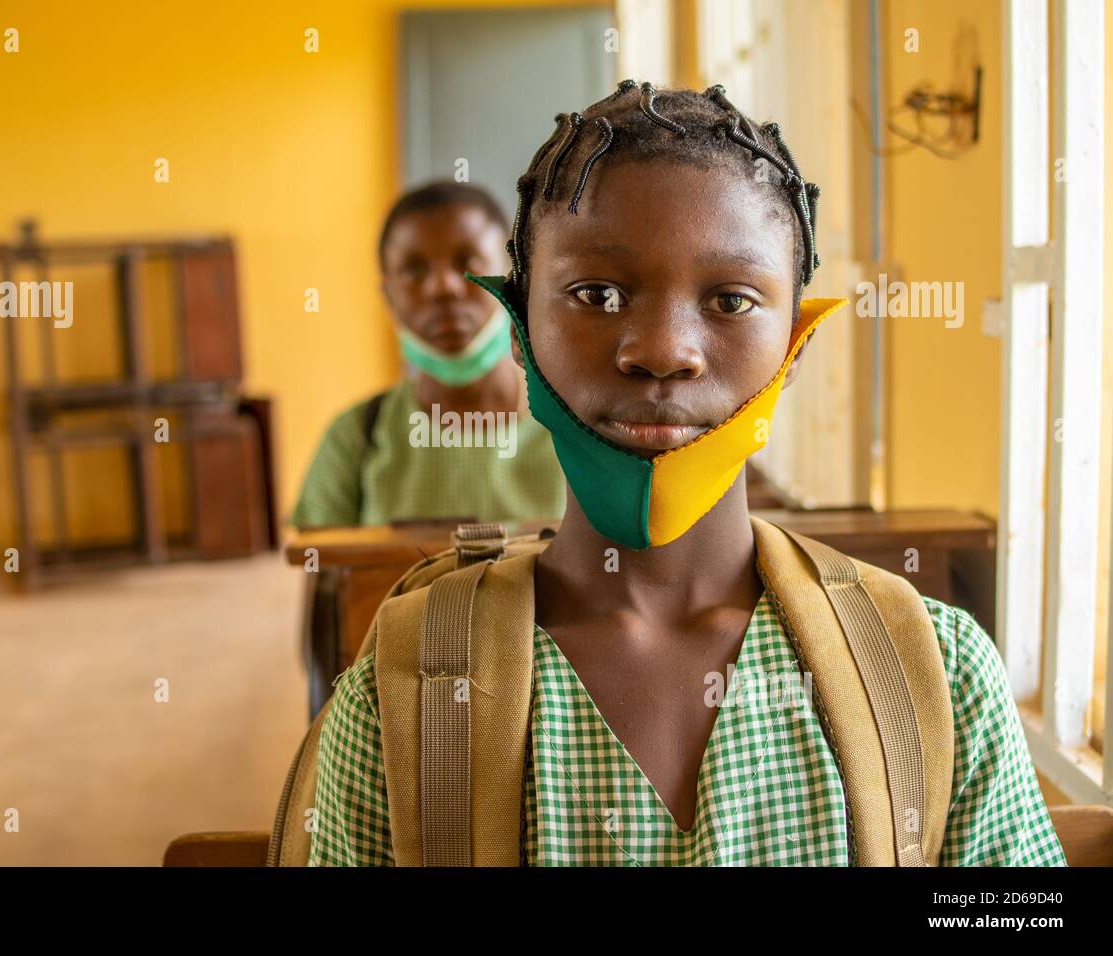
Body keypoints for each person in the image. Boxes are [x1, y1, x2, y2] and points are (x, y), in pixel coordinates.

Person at [306, 82, 1065, 866]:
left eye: (732, 299)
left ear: (794, 344)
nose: (663, 350)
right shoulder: (406, 694)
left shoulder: (934, 672)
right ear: (521, 326)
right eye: (596, 294)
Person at [289, 181, 565, 528]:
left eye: (468, 261)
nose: (443, 288)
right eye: (414, 270)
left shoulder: (572, 432)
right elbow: (324, 570)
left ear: (515, 281)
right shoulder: (357, 437)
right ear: (389, 297)